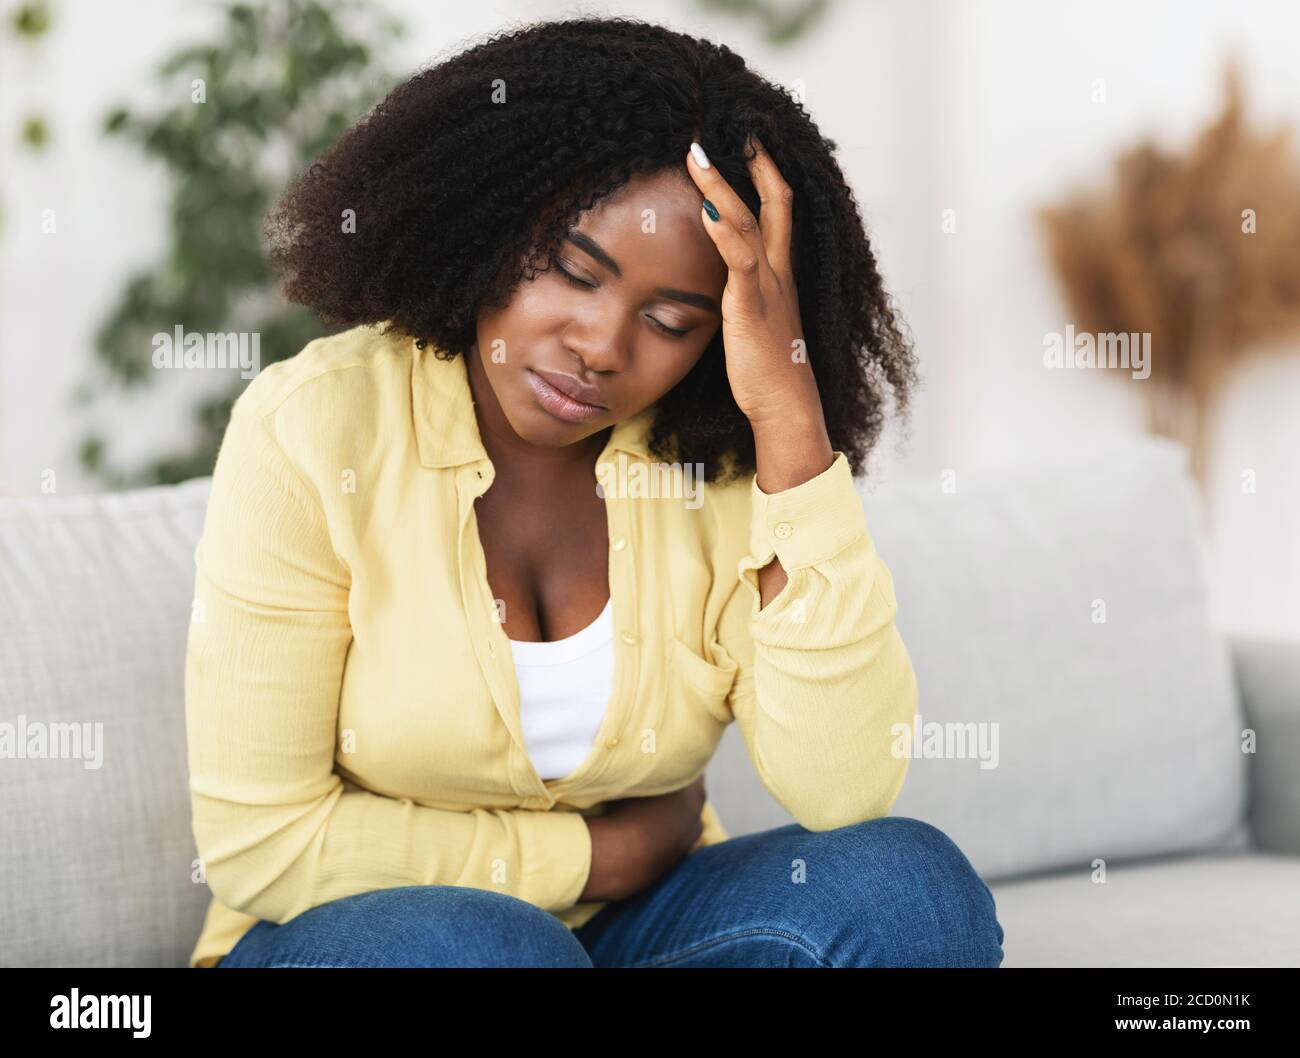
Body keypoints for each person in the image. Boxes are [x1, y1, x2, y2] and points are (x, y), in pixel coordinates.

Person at [186, 14, 1003, 968]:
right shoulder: (314, 429)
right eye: (575, 271)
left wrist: (789, 423)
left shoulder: (721, 460)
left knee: (907, 888)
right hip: (371, 935)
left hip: (637, 932)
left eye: (670, 319)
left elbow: (844, 792)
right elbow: (262, 846)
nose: (603, 347)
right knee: (489, 949)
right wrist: (597, 856)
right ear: (493, 218)